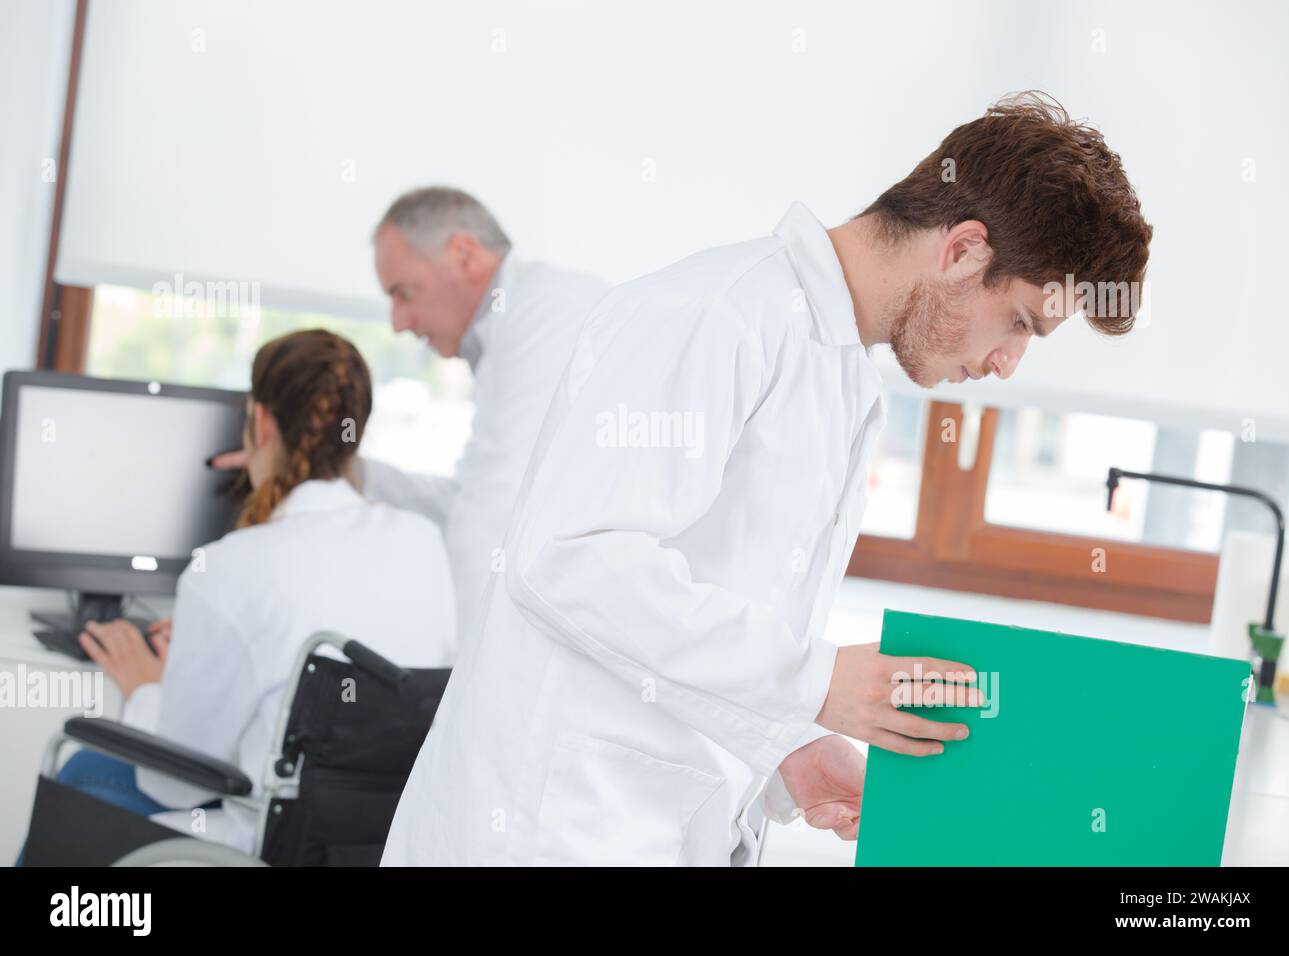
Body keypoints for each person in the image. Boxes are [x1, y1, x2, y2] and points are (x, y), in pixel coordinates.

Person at [380, 93, 1153, 866]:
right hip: (545, 827)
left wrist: (789, 748)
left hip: (658, 823)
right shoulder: (716, 313)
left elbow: (718, 606)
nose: (1006, 364)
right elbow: (567, 560)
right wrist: (813, 684)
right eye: (1020, 322)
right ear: (962, 252)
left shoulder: (847, 379)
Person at [62, 329, 456, 856]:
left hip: (263, 845)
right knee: (91, 770)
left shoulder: (229, 566)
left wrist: (147, 686)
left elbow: (176, 784)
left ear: (262, 422)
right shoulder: (423, 542)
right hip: (381, 847)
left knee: (79, 765)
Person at [216, 189, 610, 653]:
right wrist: (334, 464)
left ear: (464, 255)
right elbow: (469, 501)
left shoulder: (544, 317)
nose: (398, 322)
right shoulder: (516, 327)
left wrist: (448, 690)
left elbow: (488, 520)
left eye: (404, 293)